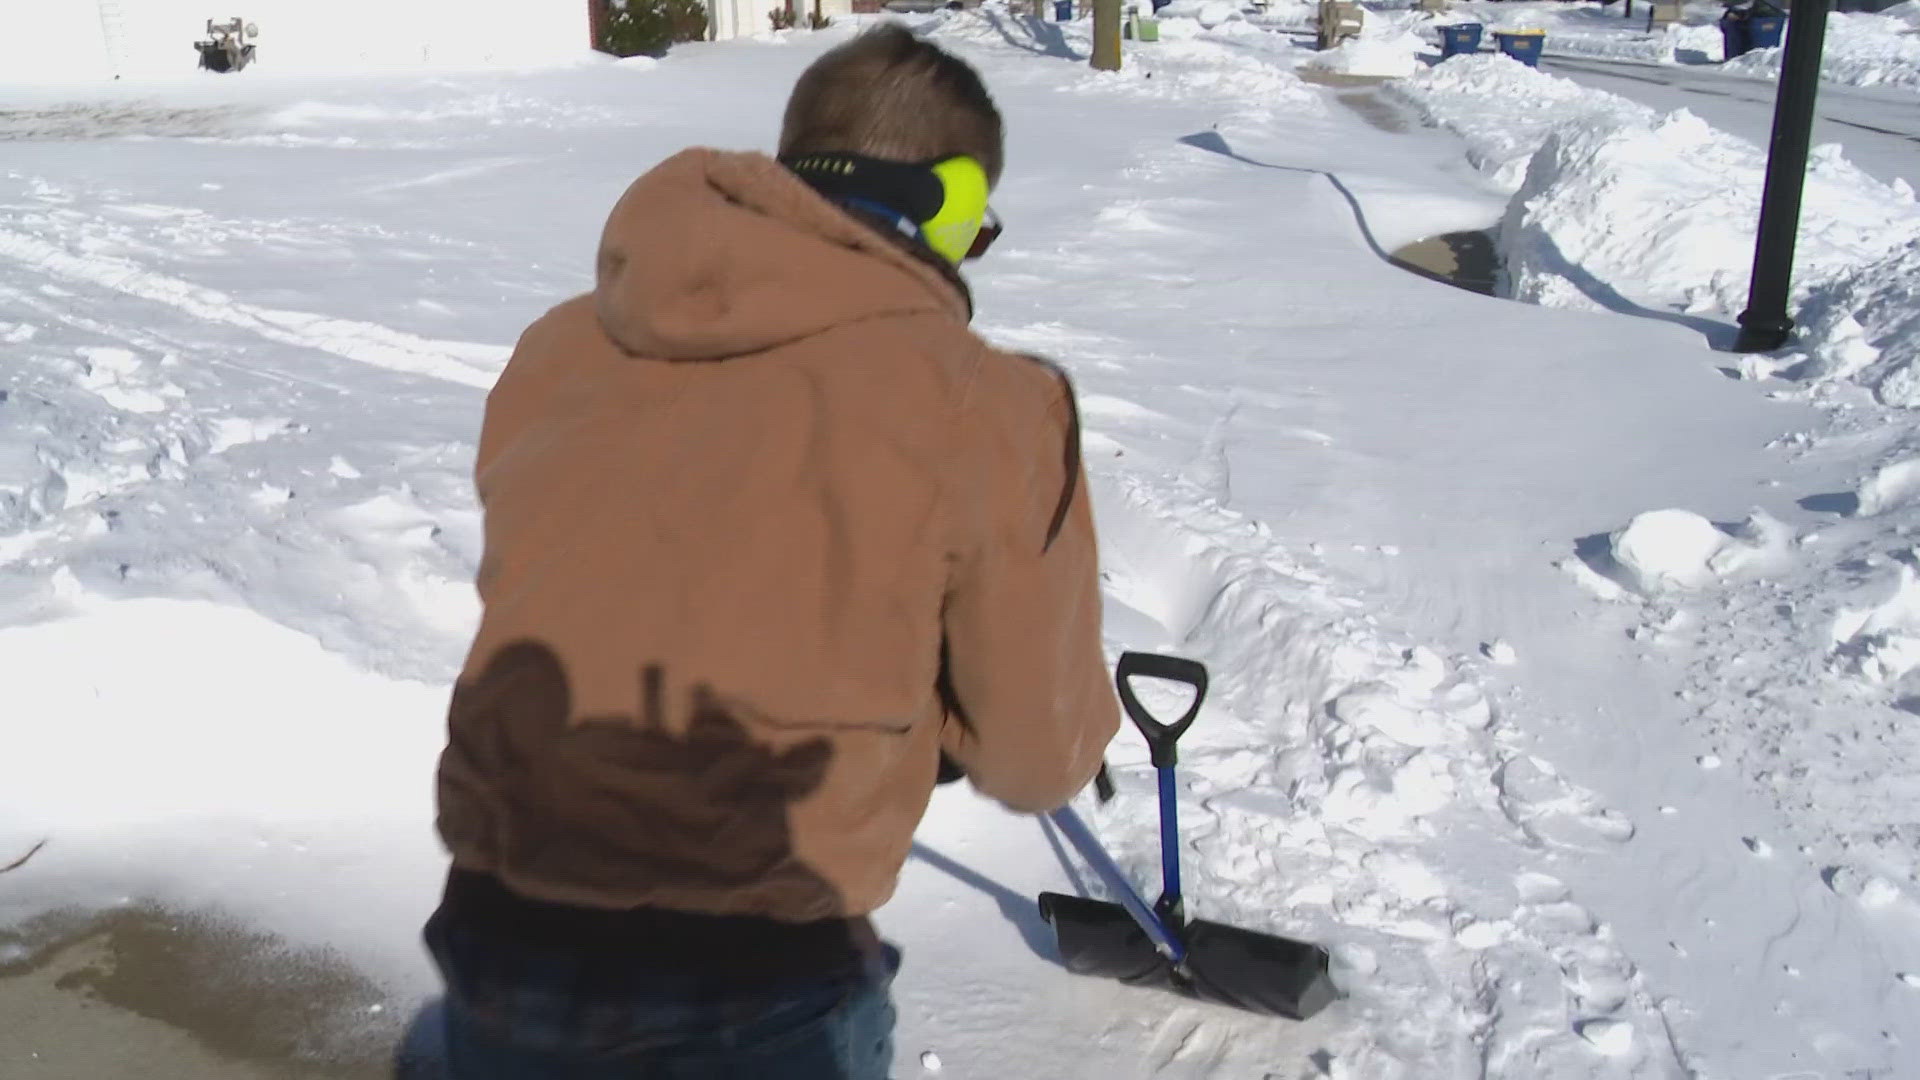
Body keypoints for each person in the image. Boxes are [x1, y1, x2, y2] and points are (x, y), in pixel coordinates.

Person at [419, 24, 1120, 1080]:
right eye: (981, 232)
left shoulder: (562, 342)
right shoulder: (984, 405)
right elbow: (1034, 756)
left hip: (500, 936)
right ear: (954, 206)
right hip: (753, 978)